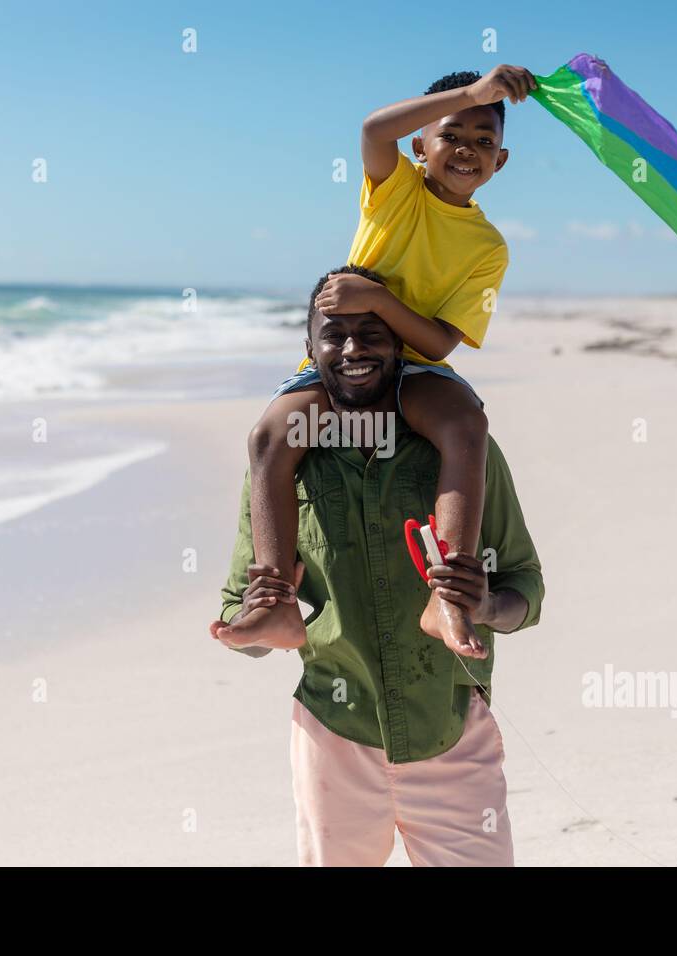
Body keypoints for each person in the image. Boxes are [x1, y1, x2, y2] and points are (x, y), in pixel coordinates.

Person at [210, 268, 545, 866]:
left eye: (373, 332)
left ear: (400, 346)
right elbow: (245, 624)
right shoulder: (285, 470)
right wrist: (252, 619)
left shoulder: (461, 455)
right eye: (334, 335)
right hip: (332, 734)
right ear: (310, 351)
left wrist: (484, 604)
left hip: (451, 730)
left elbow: (526, 589)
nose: (353, 349)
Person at [227, 65, 539, 664]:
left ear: (501, 160)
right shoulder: (396, 190)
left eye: (484, 140)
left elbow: (442, 341)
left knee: (466, 426)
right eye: (452, 134)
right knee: (270, 435)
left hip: (417, 370)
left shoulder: (489, 247)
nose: (467, 150)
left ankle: (446, 594)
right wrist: (477, 94)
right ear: (421, 144)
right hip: (342, 364)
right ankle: (274, 599)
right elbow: (373, 129)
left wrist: (379, 301)